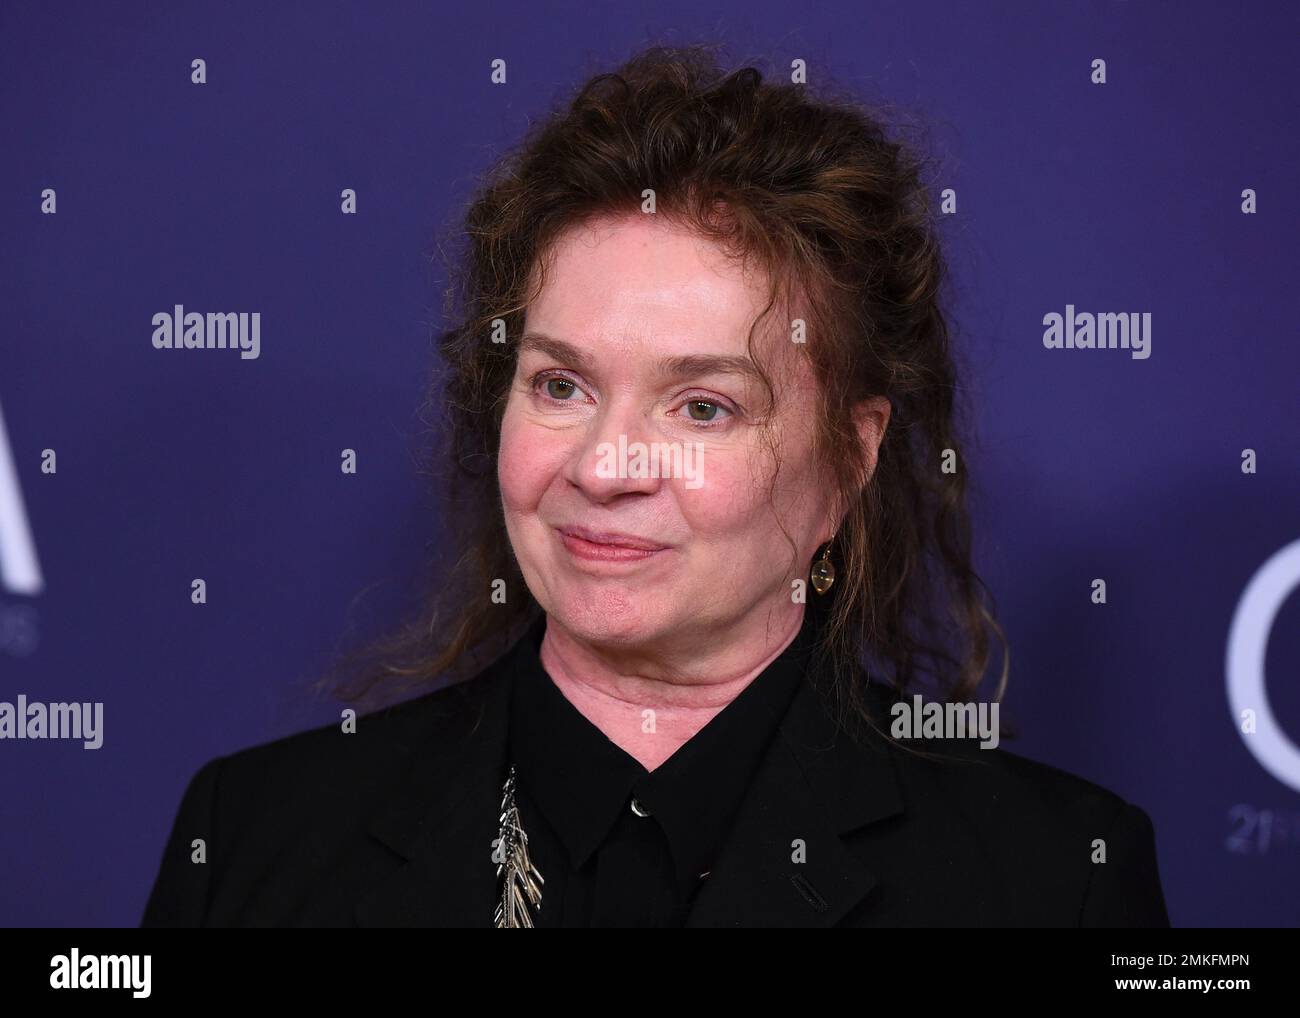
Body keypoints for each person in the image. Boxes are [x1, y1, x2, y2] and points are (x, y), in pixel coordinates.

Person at [141, 44, 1170, 928]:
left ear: (850, 458)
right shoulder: (255, 842)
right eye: (560, 384)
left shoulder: (1050, 880)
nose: (602, 466)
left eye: (702, 407)